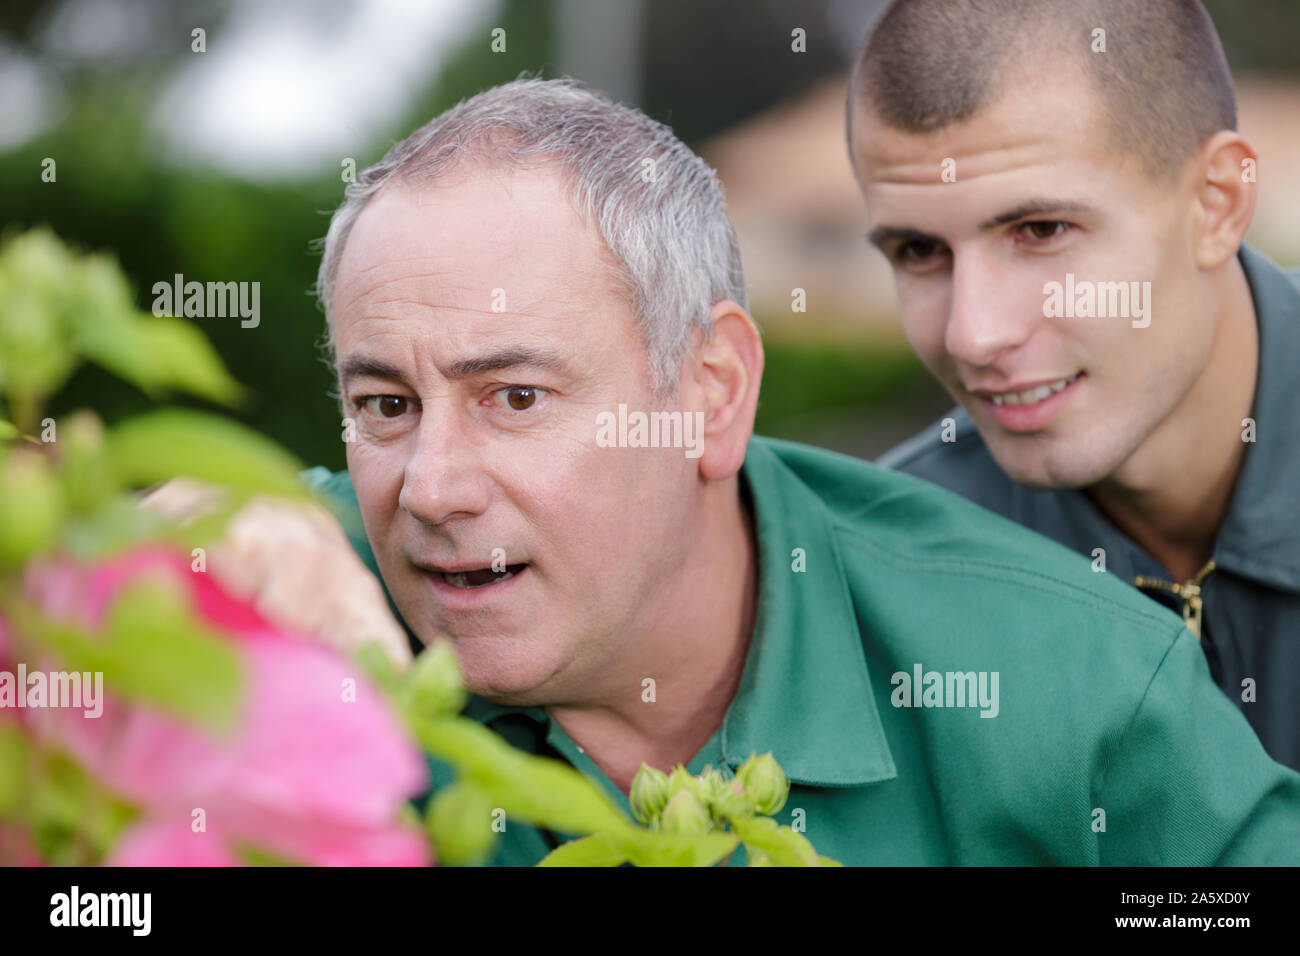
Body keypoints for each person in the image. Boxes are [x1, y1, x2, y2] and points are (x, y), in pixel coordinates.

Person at [227, 76, 1299, 865]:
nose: (430, 487)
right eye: (384, 406)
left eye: (515, 397)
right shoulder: (291, 595)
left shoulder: (1083, 694)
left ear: (711, 391)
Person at [849, 0, 1300, 771]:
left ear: (1217, 204)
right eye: (920, 250)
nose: (973, 335)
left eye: (1042, 231)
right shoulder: (889, 580)